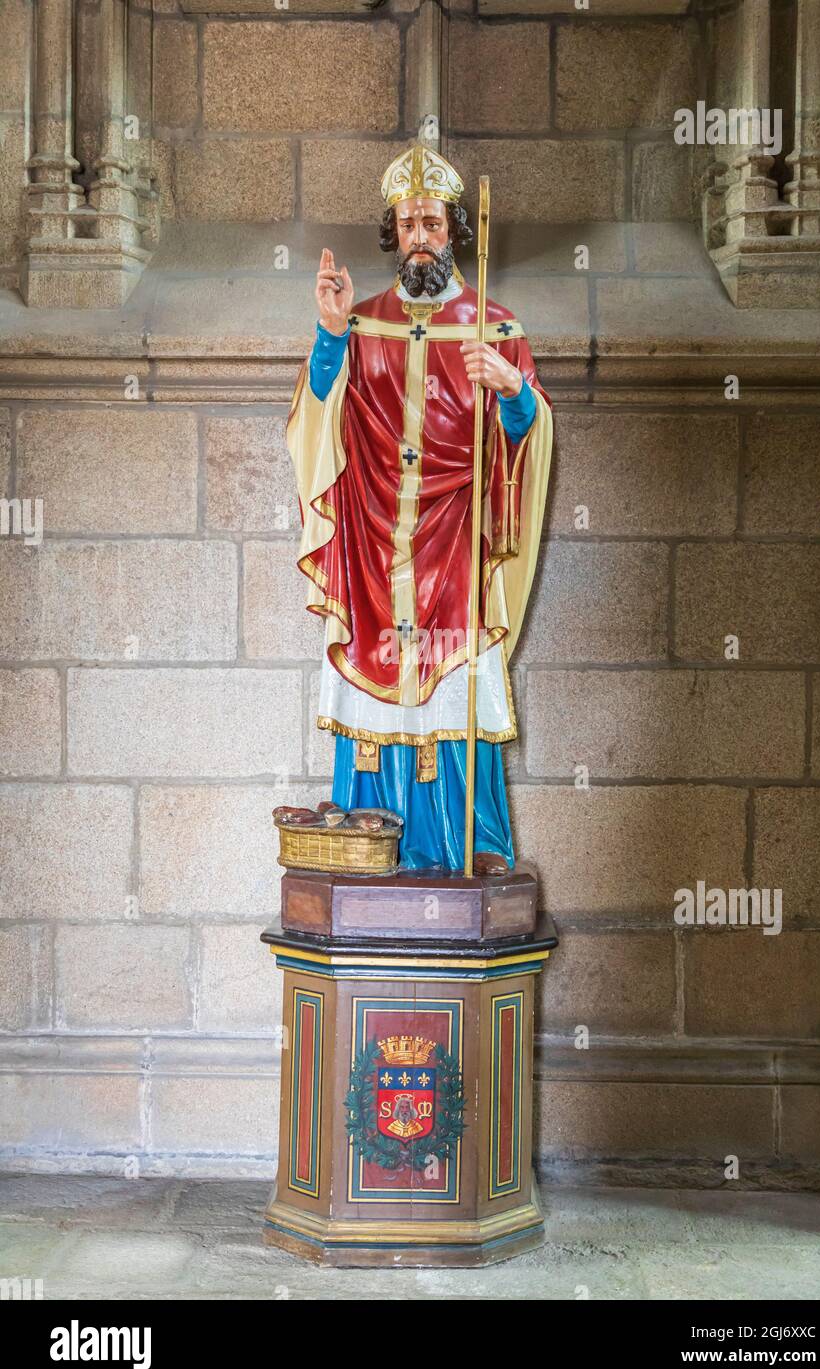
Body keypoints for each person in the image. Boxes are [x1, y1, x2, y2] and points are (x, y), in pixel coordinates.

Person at [287, 143, 552, 873]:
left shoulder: (495, 327)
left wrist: (512, 391)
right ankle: (369, 848)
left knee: (459, 682)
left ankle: (475, 846)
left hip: (455, 541)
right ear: (392, 233)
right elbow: (319, 417)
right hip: (373, 543)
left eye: (432, 223)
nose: (419, 238)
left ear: (454, 228)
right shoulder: (362, 321)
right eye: (406, 225)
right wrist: (330, 337)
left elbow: (527, 439)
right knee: (370, 690)